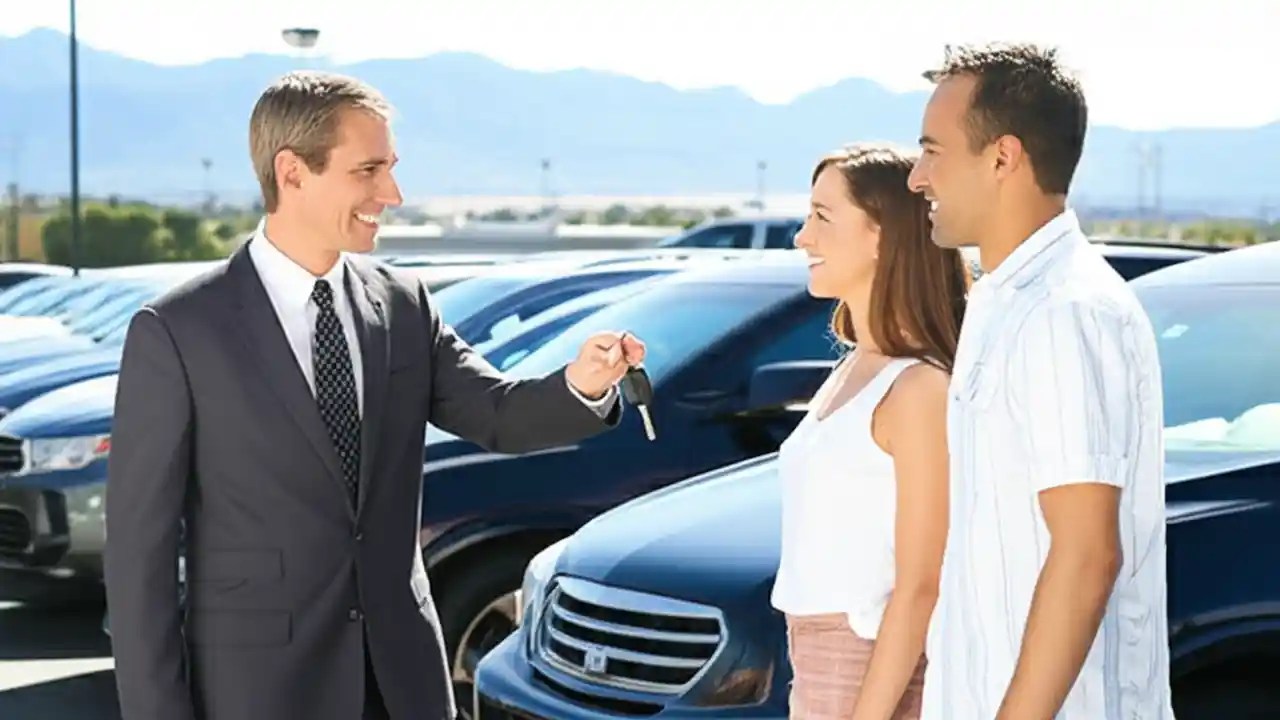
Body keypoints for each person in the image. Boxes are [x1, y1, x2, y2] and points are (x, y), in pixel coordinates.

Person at [104, 70, 646, 720]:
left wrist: (581, 385)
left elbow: (497, 413)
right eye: (368, 170)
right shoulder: (178, 332)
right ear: (292, 172)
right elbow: (140, 559)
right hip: (258, 692)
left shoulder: (402, 304)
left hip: (403, 682)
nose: (392, 193)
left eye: (390, 168)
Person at [907, 43, 1173, 719]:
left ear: (1002, 157)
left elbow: (1086, 554)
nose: (916, 177)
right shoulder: (1008, 302)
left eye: (932, 150)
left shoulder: (1064, 310)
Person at [770, 142, 970, 719]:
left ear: (882, 234)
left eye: (822, 217)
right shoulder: (856, 367)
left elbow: (920, 587)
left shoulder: (917, 390)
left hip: (867, 671)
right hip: (815, 663)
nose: (802, 237)